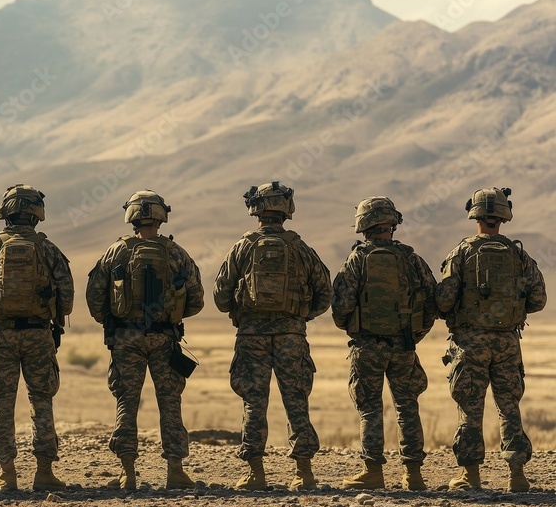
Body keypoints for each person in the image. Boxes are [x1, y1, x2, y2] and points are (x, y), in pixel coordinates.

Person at [213, 181, 332, 491]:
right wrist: (301, 316)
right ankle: (303, 473)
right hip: (292, 335)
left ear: (256, 211)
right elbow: (325, 292)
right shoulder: (300, 247)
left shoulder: (243, 246)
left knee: (254, 403)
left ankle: (255, 473)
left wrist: (241, 313)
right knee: (297, 401)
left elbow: (221, 293)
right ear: (286, 210)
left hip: (251, 337)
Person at [85, 190, 204, 490]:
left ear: (132, 217)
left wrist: (115, 322)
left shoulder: (117, 252)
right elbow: (196, 299)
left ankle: (128, 473)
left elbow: (95, 297)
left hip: (126, 338)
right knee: (170, 402)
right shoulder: (176, 253)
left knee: (127, 401)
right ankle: (175, 471)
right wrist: (172, 317)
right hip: (164, 338)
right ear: (161, 217)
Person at [0, 184, 74, 492]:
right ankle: (45, 472)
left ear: (6, 212)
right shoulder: (48, 249)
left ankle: (6, 473)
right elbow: (68, 298)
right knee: (42, 401)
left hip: (1, 335)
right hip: (39, 334)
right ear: (37, 214)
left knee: (2, 402)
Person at [437, 188, 546, 492]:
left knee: (470, 408)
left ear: (474, 214)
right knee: (509, 406)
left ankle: (470, 476)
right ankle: (517, 476)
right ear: (503, 216)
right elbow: (538, 299)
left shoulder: (462, 252)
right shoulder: (518, 254)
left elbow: (444, 299)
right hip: (508, 343)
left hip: (470, 343)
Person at [331, 197, 437, 490]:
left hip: (367, 346)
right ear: (392, 223)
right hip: (403, 346)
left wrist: (356, 328)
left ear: (363, 225)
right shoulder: (411, 259)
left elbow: (341, 307)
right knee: (407, 406)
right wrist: (416, 333)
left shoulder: (357, 259)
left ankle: (373, 471)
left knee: (370, 408)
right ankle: (413, 474)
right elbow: (433, 299)